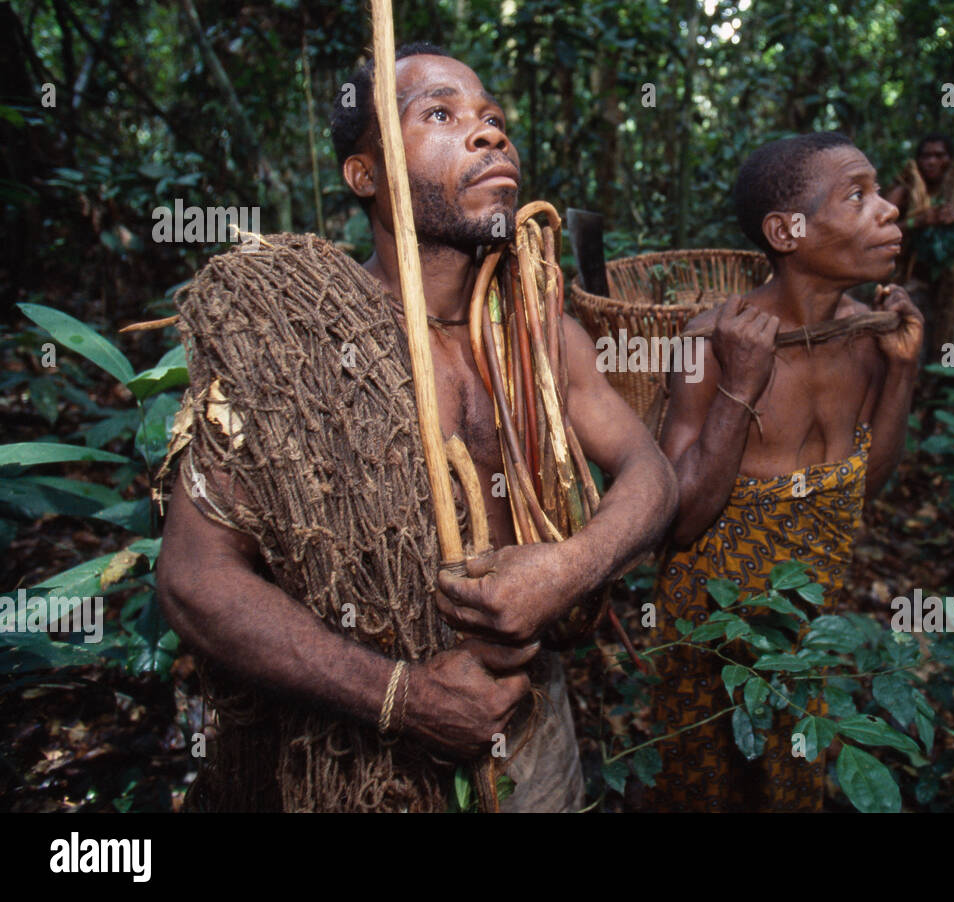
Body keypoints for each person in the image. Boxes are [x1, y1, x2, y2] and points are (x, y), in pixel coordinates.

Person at [155, 43, 677, 812]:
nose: (489, 132)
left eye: (493, 117)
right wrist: (403, 697)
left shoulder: (541, 334)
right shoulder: (294, 345)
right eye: (440, 113)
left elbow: (652, 476)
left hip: (532, 723)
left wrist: (570, 568)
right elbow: (195, 580)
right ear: (365, 175)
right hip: (362, 742)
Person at [642, 132, 922, 811]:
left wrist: (904, 372)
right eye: (858, 195)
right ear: (786, 231)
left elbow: (862, 491)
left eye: (879, 192)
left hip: (806, 620)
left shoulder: (868, 337)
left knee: (790, 783)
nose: (888, 210)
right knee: (705, 783)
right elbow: (680, 518)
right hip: (711, 622)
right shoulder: (711, 342)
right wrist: (740, 385)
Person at [884, 134, 954, 367]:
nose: (932, 162)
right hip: (911, 279)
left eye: (939, 155)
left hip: (947, 285)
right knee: (908, 348)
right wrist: (919, 221)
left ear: (950, 160)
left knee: (949, 344)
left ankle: (944, 392)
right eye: (926, 156)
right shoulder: (904, 190)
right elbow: (880, 231)